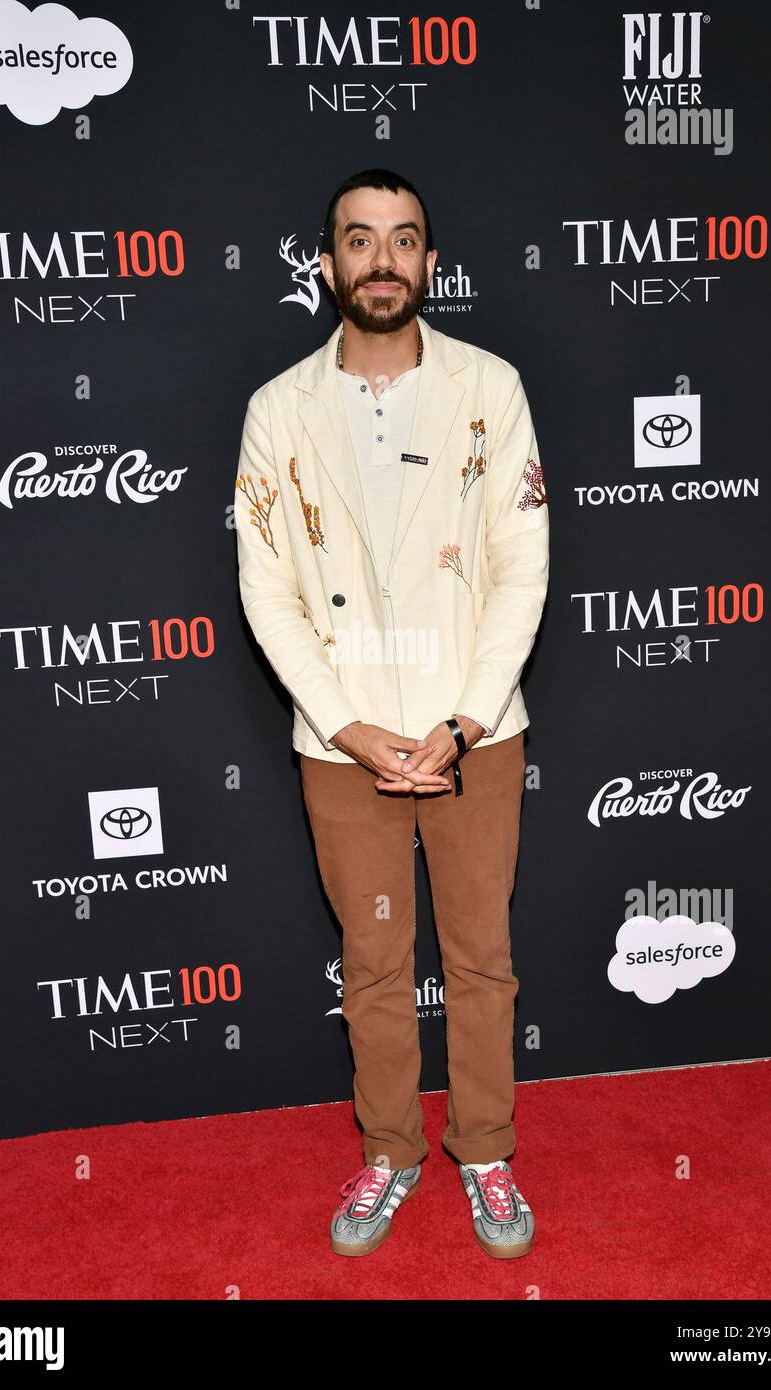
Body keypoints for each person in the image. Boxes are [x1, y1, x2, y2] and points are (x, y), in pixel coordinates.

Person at [234, 169, 550, 1259]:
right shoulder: (278, 410)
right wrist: (343, 723)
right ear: (328, 265)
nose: (381, 259)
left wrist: (462, 721)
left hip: (477, 735)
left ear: (428, 261)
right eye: (359, 241)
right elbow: (266, 587)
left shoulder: (490, 387)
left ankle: (488, 1152)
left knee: (481, 958)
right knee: (371, 965)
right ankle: (388, 1152)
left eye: (403, 239)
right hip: (344, 743)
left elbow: (523, 567)